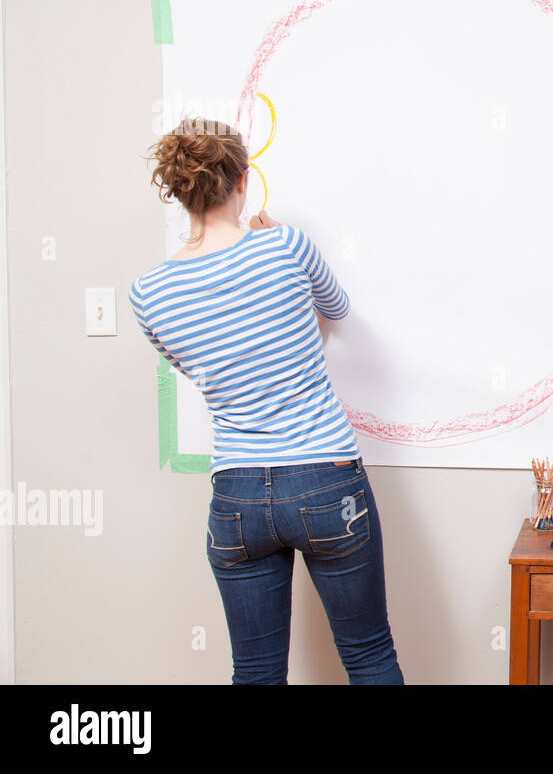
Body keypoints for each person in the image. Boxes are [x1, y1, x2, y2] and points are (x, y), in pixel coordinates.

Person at [129, 117, 403, 684]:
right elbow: (338, 307)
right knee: (370, 656)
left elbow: (196, 368)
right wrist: (280, 247)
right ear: (242, 182)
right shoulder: (285, 246)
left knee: (254, 672)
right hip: (326, 480)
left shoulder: (148, 293)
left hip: (237, 498)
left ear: (181, 193)